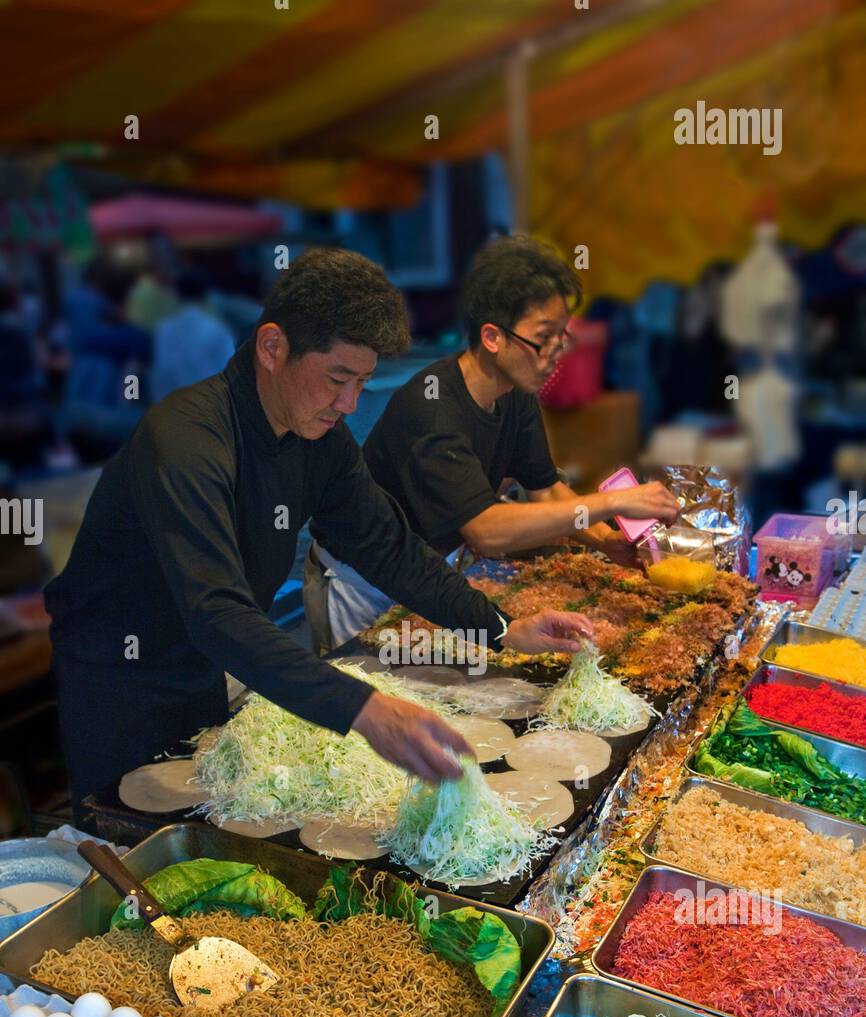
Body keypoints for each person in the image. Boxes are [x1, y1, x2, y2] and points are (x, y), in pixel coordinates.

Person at [44, 249, 593, 821]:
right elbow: (217, 612)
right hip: (122, 677)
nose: (349, 403)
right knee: (129, 836)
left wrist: (501, 628)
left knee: (209, 817)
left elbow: (389, 547)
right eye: (337, 378)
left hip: (205, 665)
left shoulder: (319, 442)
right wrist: (365, 709)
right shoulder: (186, 439)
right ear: (273, 348)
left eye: (362, 382)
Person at [305, 235, 678, 652]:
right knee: (374, 699)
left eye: (562, 338)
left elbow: (546, 489)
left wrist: (604, 540)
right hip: (363, 583)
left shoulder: (513, 391)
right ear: (492, 337)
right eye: (544, 338)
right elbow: (486, 531)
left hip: (431, 574)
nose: (556, 354)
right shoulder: (433, 411)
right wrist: (611, 503)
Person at [150, 269, 236, 402]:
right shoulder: (217, 330)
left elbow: (162, 373)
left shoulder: (164, 330)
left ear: (178, 294)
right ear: (206, 295)